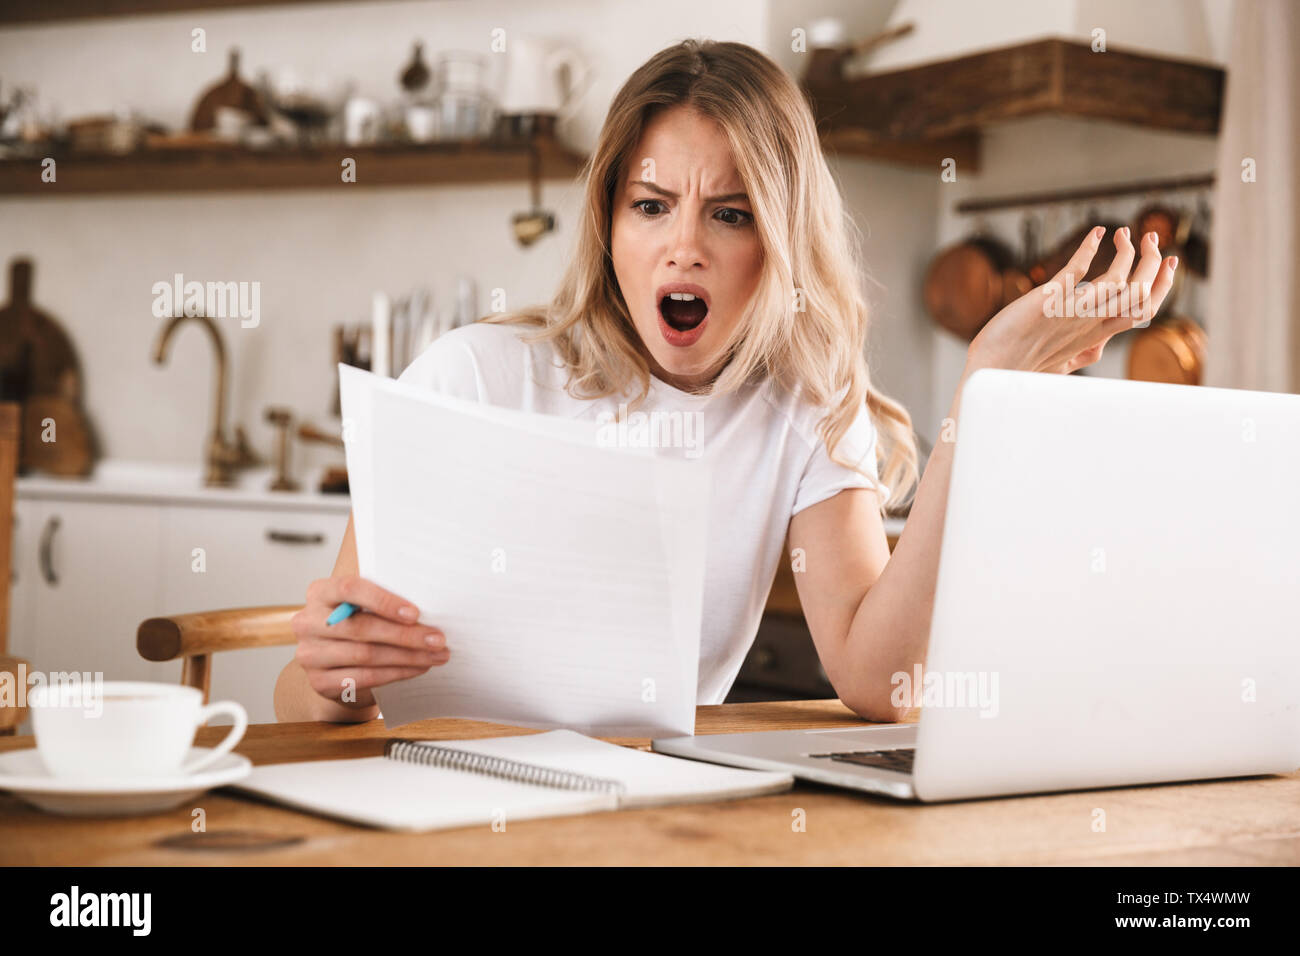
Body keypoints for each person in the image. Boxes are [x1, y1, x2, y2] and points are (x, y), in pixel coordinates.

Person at [274, 39, 1176, 723]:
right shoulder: (470, 378)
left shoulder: (805, 407)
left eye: (731, 213)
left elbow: (883, 682)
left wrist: (985, 401)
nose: (685, 246)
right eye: (652, 205)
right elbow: (299, 697)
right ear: (610, 224)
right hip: (442, 812)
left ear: (780, 241)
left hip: (651, 823)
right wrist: (339, 674)